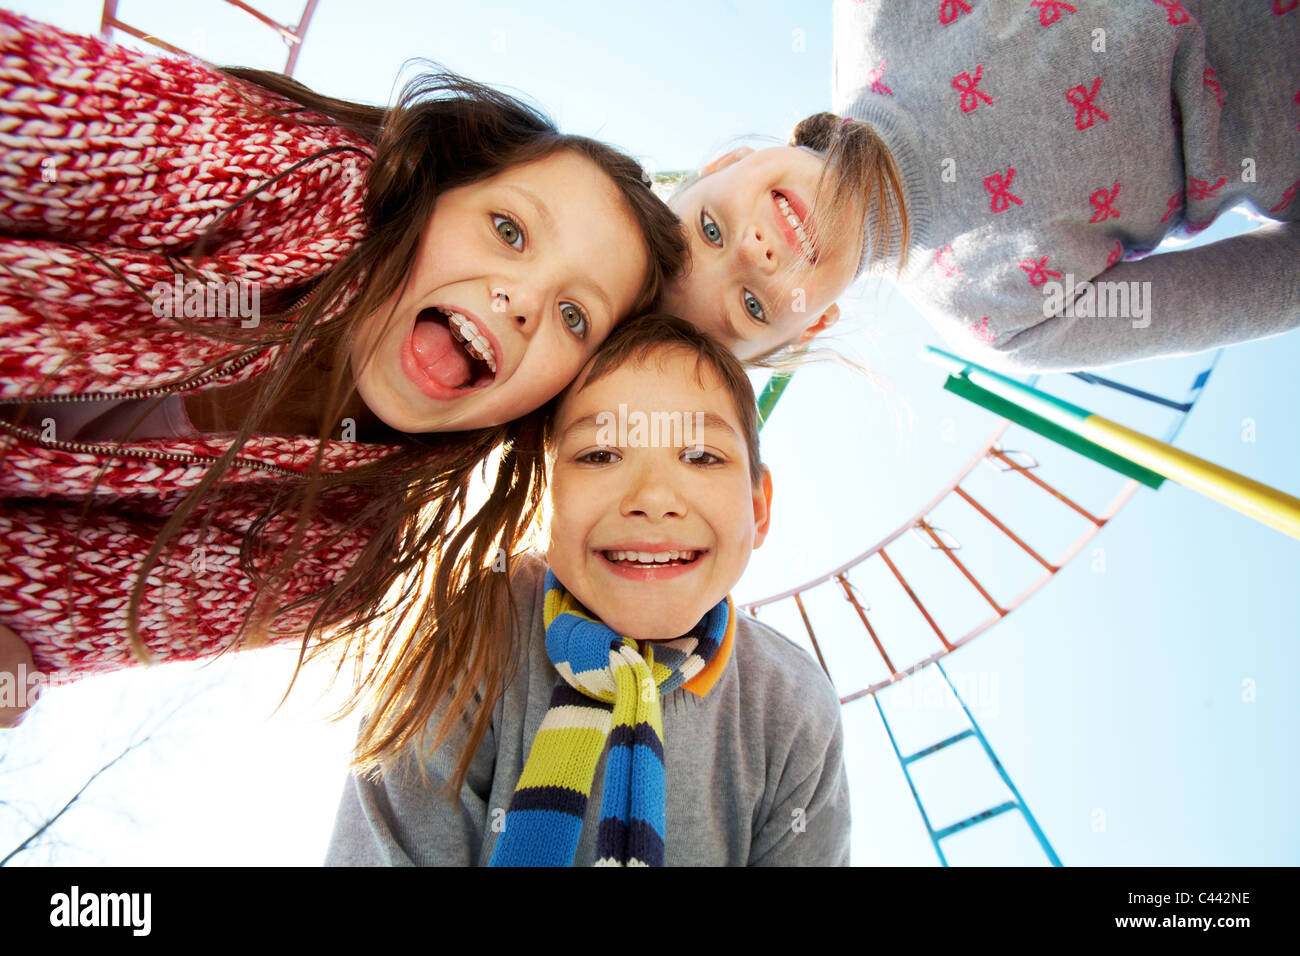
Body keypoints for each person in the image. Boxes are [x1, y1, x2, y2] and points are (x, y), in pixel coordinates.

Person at [0, 11, 685, 728]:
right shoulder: (297, 178)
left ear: (549, 400)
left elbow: (41, 628)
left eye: (575, 317)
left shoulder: (337, 559)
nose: (524, 302)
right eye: (508, 229)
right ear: (429, 198)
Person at [325, 314, 851, 866]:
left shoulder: (793, 712)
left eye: (700, 456)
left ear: (759, 508)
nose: (652, 497)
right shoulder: (479, 624)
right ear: (544, 497)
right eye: (601, 455)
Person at [661, 0, 1300, 375]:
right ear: (811, 326)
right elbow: (1267, 289)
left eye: (710, 229)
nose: (753, 255)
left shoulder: (880, 15)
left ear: (728, 163)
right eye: (751, 306)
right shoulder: (1000, 322)